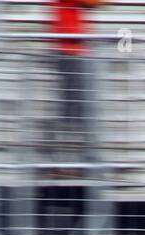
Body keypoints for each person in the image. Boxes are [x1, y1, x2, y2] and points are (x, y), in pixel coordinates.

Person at [49, 0, 104, 168]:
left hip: (71, 53)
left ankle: (74, 157)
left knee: (75, 108)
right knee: (76, 109)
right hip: (70, 54)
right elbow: (94, 2)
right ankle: (70, 158)